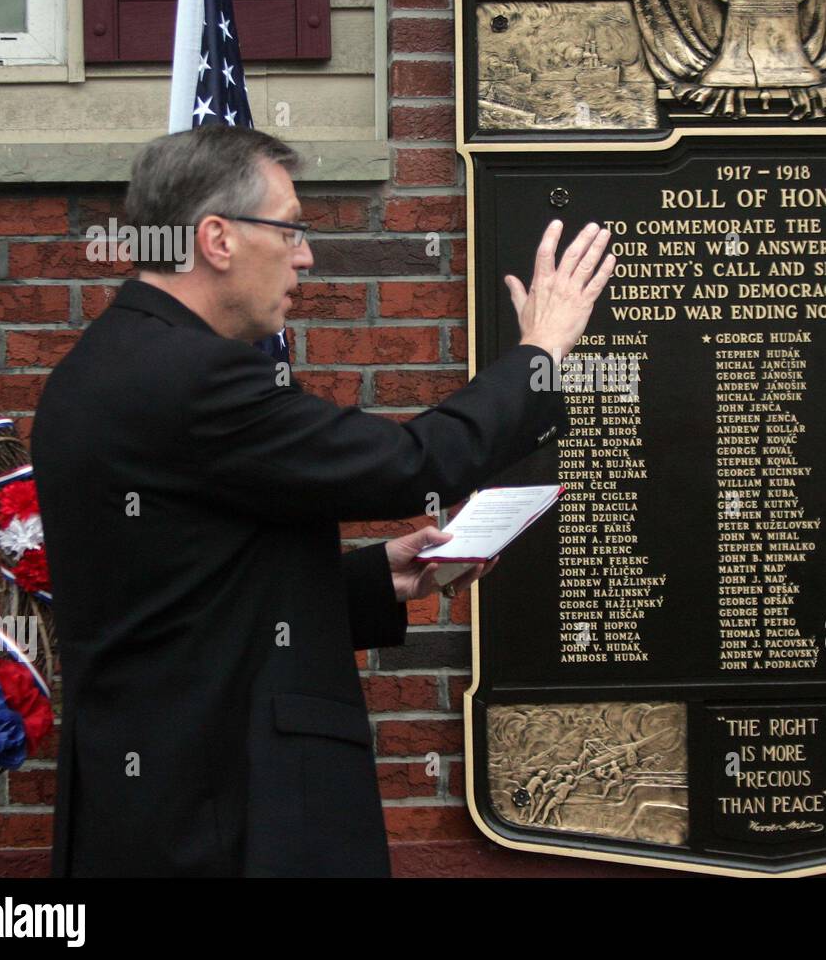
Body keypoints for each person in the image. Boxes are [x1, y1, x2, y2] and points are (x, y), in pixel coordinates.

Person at [31, 125, 614, 876]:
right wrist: (540, 354)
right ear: (216, 238)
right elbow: (413, 465)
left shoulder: (101, 366)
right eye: (291, 228)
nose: (306, 254)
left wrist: (380, 579)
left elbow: (192, 603)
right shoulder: (190, 377)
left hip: (156, 814)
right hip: (227, 825)